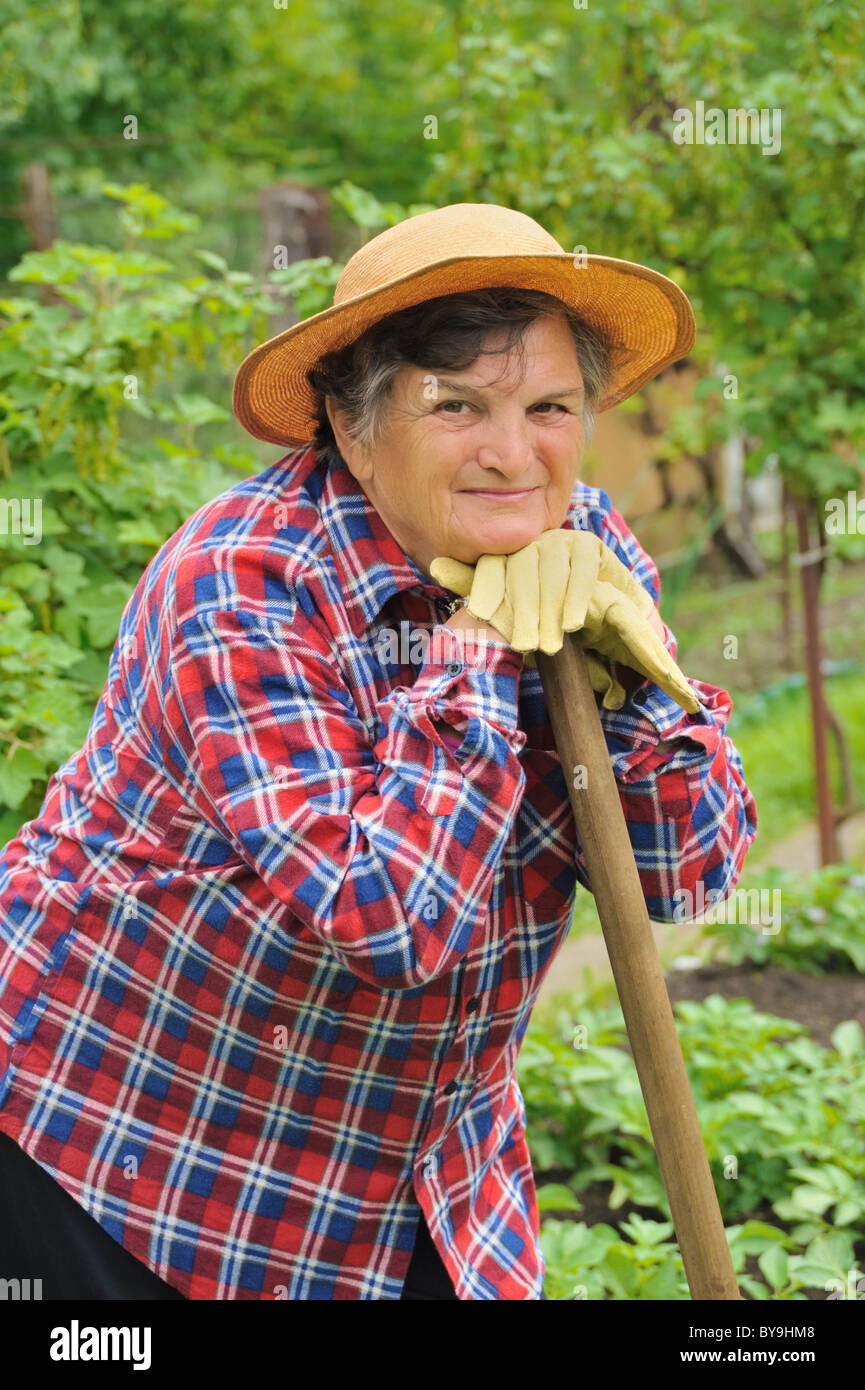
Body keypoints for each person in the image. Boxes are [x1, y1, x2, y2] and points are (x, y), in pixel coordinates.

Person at [0, 201, 758, 1301]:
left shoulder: (579, 546)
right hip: (127, 1132)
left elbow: (687, 876)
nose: (514, 453)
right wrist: (479, 651)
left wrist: (638, 693)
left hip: (409, 1149)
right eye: (457, 406)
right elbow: (389, 917)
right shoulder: (242, 580)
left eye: (550, 407)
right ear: (353, 426)